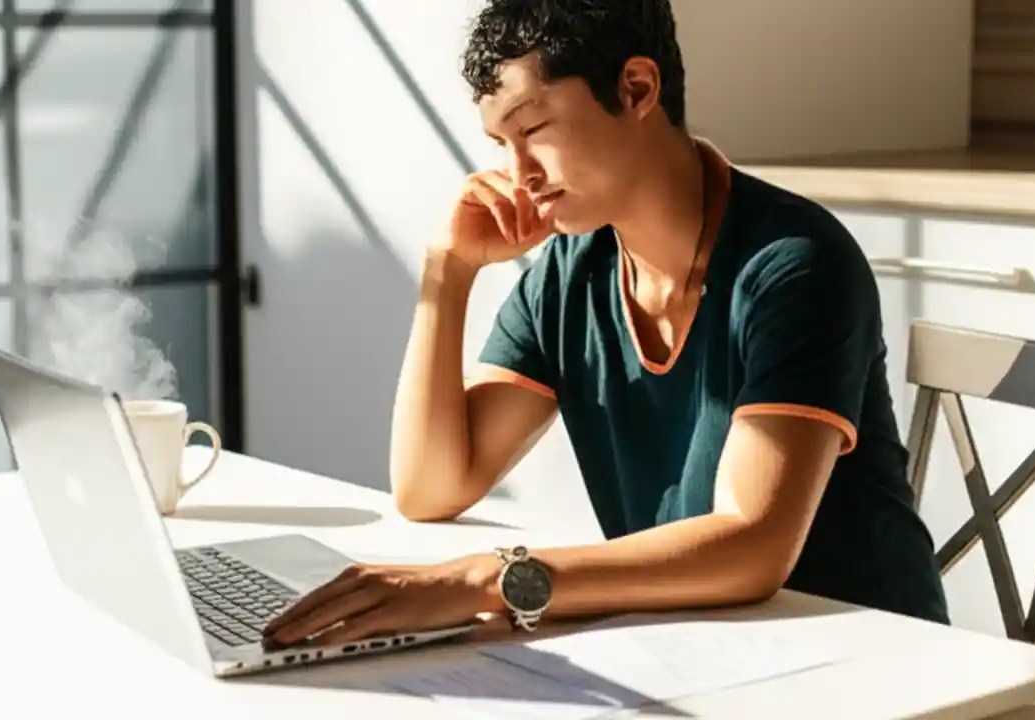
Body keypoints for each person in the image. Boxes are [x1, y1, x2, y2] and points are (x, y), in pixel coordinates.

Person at [263, 0, 949, 647]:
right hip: (706, 648)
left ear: (637, 89)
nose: (517, 173)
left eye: (532, 130)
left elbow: (751, 546)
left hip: (876, 657)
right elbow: (431, 487)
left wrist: (488, 578)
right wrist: (448, 272)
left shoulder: (793, 265)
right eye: (501, 143)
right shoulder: (572, 270)